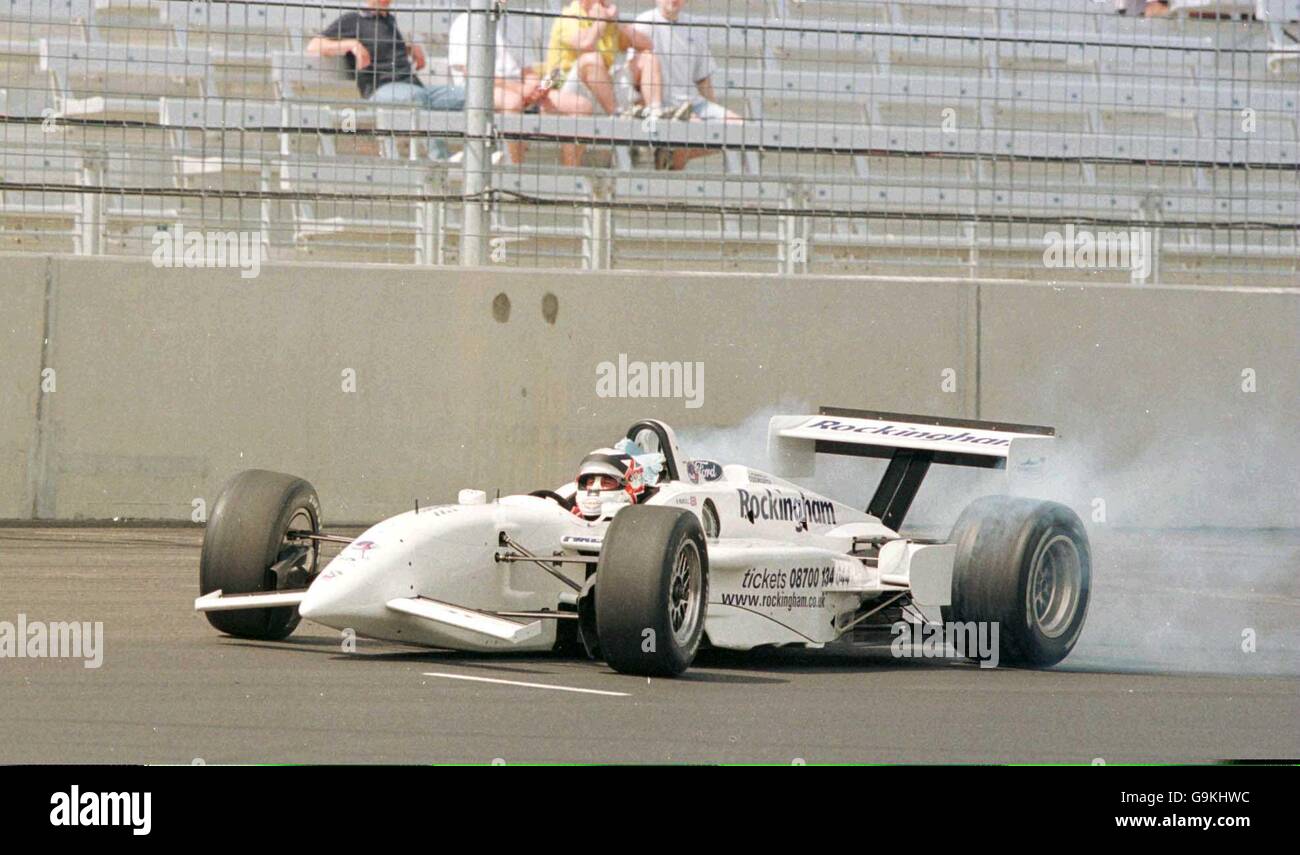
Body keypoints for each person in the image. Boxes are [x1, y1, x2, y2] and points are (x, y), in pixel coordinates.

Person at [307, 0, 464, 156]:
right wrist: (351, 45)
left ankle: (477, 162)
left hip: (413, 88)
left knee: (471, 96)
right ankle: (441, 163)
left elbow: (382, 47)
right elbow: (314, 45)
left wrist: (408, 48)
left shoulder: (388, 20)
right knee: (416, 97)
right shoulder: (354, 20)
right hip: (381, 91)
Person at [447, 2, 593, 166]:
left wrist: (535, 88)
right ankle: (516, 171)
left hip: (518, 90)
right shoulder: (464, 22)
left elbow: (528, 69)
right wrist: (521, 89)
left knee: (581, 106)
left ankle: (570, 174)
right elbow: (473, 73)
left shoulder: (513, 22)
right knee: (513, 102)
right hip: (479, 89)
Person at [630, 0, 741, 170]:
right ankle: (673, 166)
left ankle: (674, 156)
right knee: (694, 130)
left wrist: (711, 110)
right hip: (662, 106)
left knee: (738, 128)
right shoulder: (644, 22)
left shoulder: (693, 26)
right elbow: (635, 71)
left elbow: (702, 78)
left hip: (693, 103)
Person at [545, 0, 661, 117]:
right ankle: (616, 115)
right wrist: (600, 22)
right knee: (591, 59)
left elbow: (647, 44)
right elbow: (586, 44)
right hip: (567, 88)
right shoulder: (569, 17)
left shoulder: (607, 20)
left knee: (648, 58)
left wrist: (618, 23)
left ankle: (654, 112)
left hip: (602, 87)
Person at [573, 446, 655, 519]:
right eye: (591, 482)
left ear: (632, 486)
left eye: (607, 483)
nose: (595, 487)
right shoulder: (569, 512)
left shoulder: (651, 511)